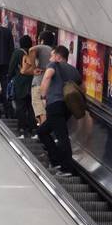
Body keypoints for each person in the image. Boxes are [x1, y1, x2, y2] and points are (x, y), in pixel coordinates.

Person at [36, 44, 81, 173]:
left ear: (58, 57)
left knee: (62, 137)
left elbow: (48, 76)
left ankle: (67, 168)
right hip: (68, 107)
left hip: (55, 105)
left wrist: (43, 96)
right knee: (42, 131)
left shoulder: (54, 65)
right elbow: (80, 88)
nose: (50, 59)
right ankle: (55, 159)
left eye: (52, 55)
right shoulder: (74, 70)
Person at [9, 34, 36, 137]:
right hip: (32, 82)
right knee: (30, 107)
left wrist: (10, 77)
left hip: (20, 83)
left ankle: (22, 128)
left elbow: (11, 69)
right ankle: (32, 128)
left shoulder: (17, 53)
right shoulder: (33, 53)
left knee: (20, 106)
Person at [30, 32, 55, 140]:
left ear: (42, 40)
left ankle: (44, 135)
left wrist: (33, 67)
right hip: (51, 85)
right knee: (45, 110)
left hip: (39, 83)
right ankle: (44, 133)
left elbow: (31, 50)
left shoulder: (42, 47)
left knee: (40, 110)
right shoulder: (54, 52)